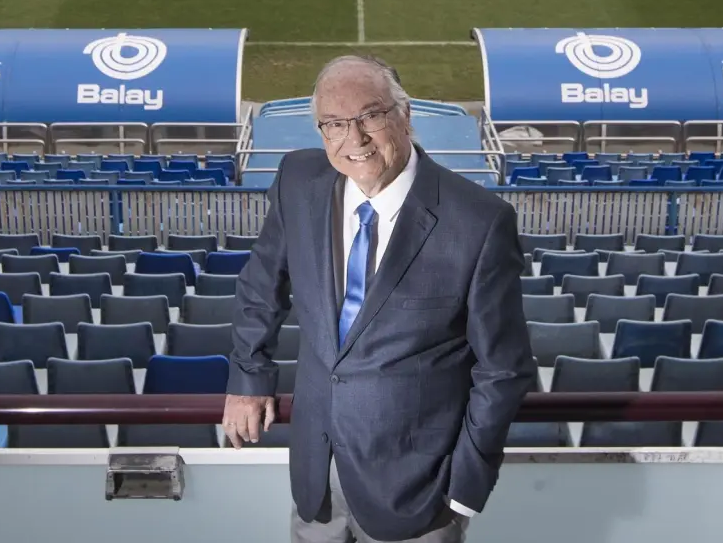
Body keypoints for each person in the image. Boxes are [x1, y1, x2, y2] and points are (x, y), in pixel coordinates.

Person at [225, 55, 535, 543]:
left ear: (404, 114)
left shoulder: (479, 221)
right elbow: (260, 286)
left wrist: (465, 489)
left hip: (418, 493)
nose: (355, 139)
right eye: (333, 124)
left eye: (370, 116)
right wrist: (248, 376)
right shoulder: (298, 181)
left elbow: (504, 369)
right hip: (314, 478)